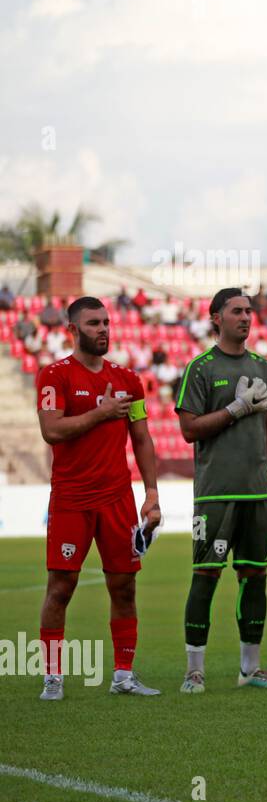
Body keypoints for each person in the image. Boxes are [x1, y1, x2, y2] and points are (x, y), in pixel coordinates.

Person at [35, 296, 162, 700]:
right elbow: (52, 430)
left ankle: (123, 675)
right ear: (72, 330)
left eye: (106, 322)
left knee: (124, 587)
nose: (103, 329)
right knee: (61, 587)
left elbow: (141, 437)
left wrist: (152, 493)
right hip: (71, 499)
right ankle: (52, 676)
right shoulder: (53, 376)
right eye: (93, 323)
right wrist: (101, 413)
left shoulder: (129, 380)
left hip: (117, 500)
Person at [175, 287, 267, 692]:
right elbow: (189, 430)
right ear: (216, 318)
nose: (246, 317)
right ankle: (195, 669)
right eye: (236, 311)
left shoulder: (265, 367)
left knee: (255, 578)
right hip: (215, 494)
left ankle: (250, 669)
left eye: (249, 311)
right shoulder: (201, 368)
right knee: (205, 576)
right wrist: (235, 408)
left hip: (256, 494)